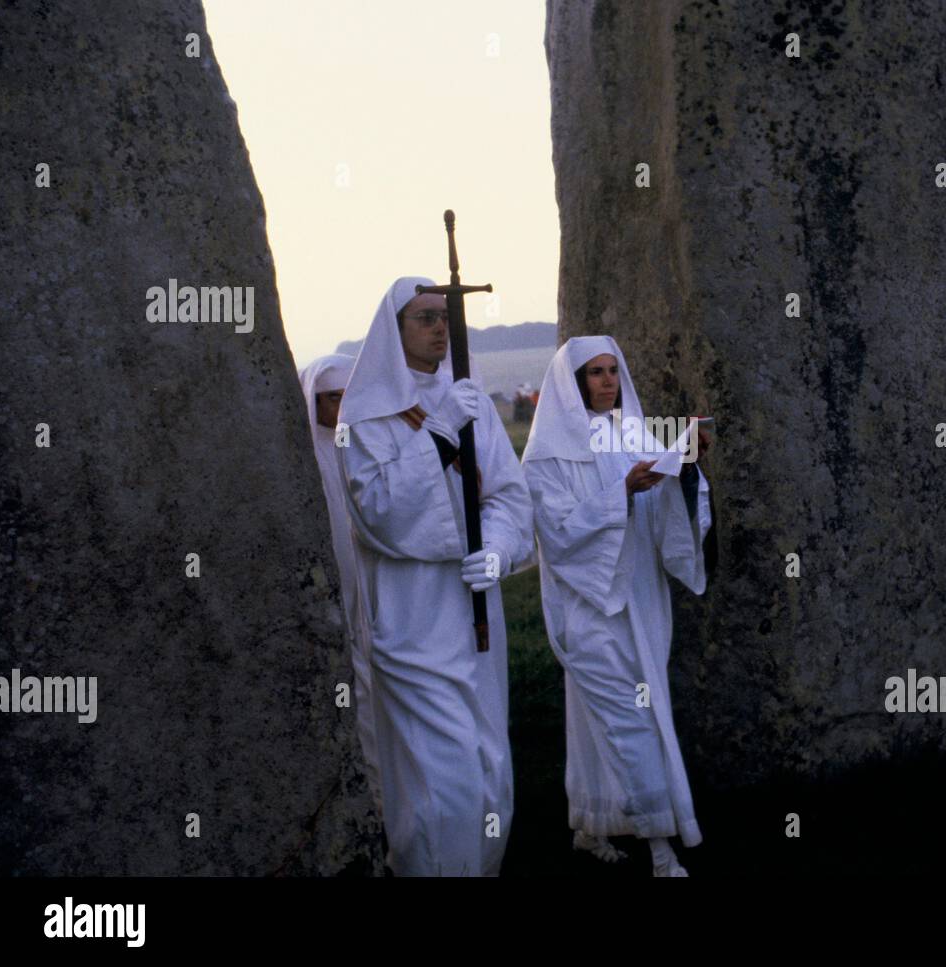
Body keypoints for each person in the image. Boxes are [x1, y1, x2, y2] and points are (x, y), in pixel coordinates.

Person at [337, 276, 534, 876]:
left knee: (488, 766)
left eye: (444, 316)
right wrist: (440, 431)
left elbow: (507, 495)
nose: (439, 327)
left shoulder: (464, 397)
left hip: (474, 609)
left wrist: (497, 550)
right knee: (440, 777)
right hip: (412, 614)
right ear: (393, 331)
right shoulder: (366, 415)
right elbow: (380, 515)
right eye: (424, 317)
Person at [521, 335, 712, 877]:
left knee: (597, 718)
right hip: (590, 608)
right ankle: (659, 845)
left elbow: (660, 517)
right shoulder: (547, 455)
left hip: (640, 600)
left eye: (612, 370)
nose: (607, 381)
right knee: (631, 720)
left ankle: (589, 821)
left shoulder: (632, 434)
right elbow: (556, 534)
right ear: (572, 382)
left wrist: (686, 467)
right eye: (595, 373)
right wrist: (620, 493)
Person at [297, 352, 383, 819]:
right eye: (333, 398)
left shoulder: (363, 448)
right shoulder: (306, 457)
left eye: (350, 396)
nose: (342, 407)